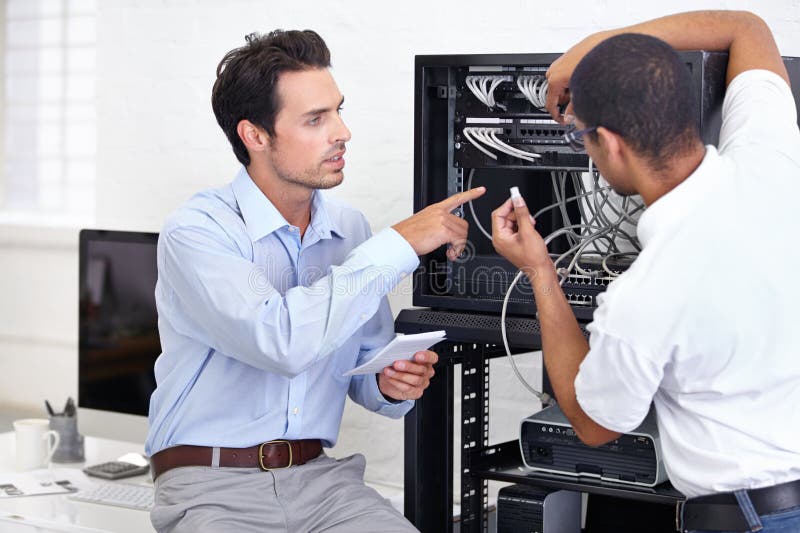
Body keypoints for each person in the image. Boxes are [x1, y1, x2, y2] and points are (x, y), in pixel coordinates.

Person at [145, 30, 484, 533]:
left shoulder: (348, 230)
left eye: (338, 111)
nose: (342, 131)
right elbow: (280, 340)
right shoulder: (198, 232)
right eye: (315, 119)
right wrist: (399, 244)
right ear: (255, 136)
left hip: (322, 485)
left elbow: (365, 374)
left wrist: (391, 384)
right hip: (211, 488)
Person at [491, 10, 800, 533]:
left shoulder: (648, 292)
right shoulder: (772, 157)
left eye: (581, 138)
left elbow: (593, 424)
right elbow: (747, 28)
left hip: (749, 519)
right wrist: (595, 45)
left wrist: (540, 269)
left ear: (609, 142)